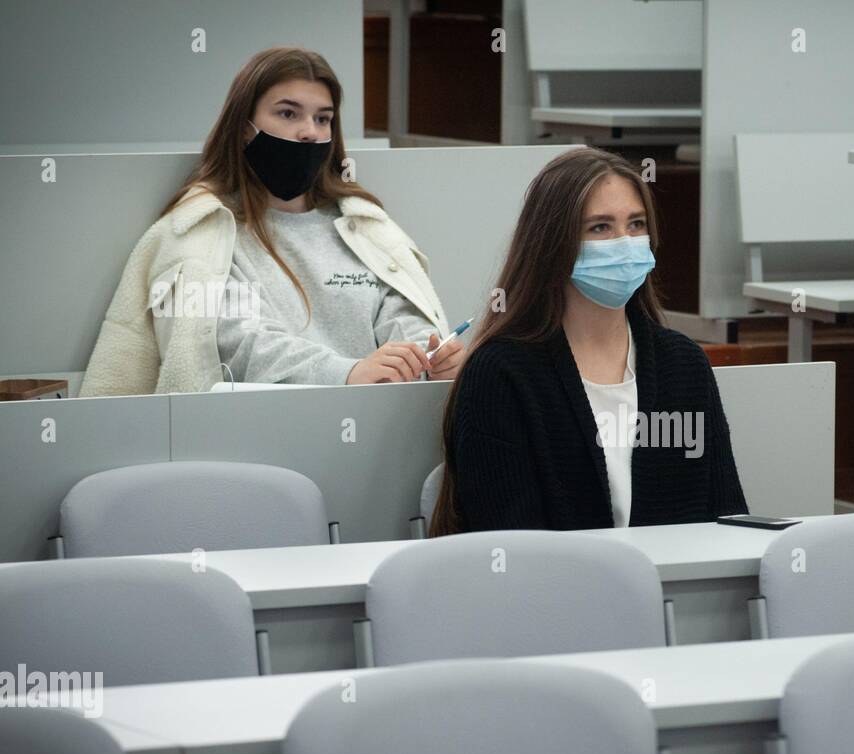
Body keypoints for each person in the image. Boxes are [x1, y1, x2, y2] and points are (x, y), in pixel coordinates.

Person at [79, 47, 462, 396]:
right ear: (244, 126)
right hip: (255, 436)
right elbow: (237, 345)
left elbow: (403, 315)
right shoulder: (204, 235)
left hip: (378, 429)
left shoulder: (365, 227)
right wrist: (346, 373)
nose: (310, 131)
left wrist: (430, 357)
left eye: (323, 118)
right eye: (288, 113)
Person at [430, 148, 747, 535]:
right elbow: (509, 543)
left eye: (636, 224)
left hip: (674, 577)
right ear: (553, 243)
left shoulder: (683, 364)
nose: (625, 243)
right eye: (600, 228)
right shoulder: (501, 374)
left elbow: (729, 517)